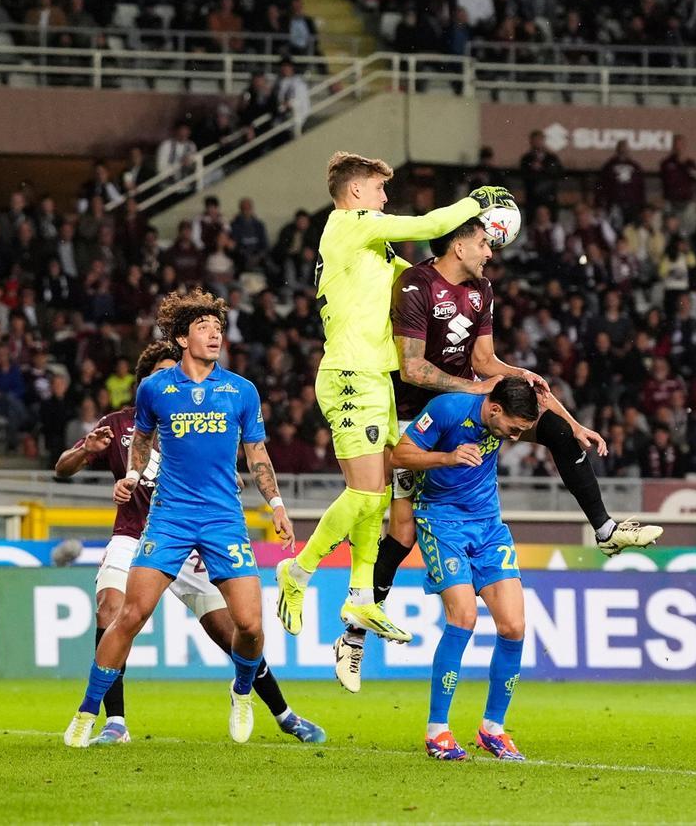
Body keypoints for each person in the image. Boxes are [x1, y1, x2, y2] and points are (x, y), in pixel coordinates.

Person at [333, 219, 662, 691]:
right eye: (484, 243)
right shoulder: (416, 283)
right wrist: (476, 389)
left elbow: (487, 363)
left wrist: (561, 413)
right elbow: (412, 367)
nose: (490, 252)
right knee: (401, 532)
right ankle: (355, 634)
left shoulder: (481, 289)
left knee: (556, 434)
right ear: (458, 243)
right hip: (415, 417)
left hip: (472, 406)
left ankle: (606, 529)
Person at [274, 151, 510, 645]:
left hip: (376, 378)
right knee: (363, 493)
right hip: (348, 373)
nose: (385, 199)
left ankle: (361, 598)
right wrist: (477, 203)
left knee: (377, 495)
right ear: (357, 192)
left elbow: (427, 274)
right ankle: (296, 572)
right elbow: (428, 223)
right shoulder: (347, 224)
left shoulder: (374, 252)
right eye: (380, 190)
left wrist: (468, 256)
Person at [55, 341, 322, 746]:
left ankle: (283, 713)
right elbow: (62, 469)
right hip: (137, 534)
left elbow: (236, 464)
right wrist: (84, 451)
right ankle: (115, 721)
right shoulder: (123, 426)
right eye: (164, 375)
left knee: (233, 630)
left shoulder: (205, 420)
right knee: (113, 610)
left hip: (195, 542)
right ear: (148, 382)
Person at [391, 376, 538, 762]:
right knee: (464, 618)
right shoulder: (449, 409)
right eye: (513, 429)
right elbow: (400, 456)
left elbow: (544, 409)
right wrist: (448, 457)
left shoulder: (503, 415)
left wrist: (574, 427)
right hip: (441, 522)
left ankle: (493, 728)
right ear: (494, 409)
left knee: (514, 626)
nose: (516, 438)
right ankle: (437, 730)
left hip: (489, 525)